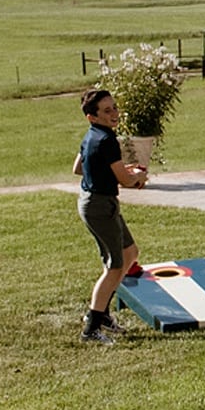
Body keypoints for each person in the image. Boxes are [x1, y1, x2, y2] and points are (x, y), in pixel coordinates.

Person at [73, 87, 150, 343]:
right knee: (115, 267)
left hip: (98, 203)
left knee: (130, 254)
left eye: (115, 107)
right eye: (107, 111)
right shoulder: (106, 140)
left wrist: (112, 171)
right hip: (99, 207)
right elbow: (127, 182)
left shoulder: (92, 136)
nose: (114, 113)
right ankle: (92, 327)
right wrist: (137, 177)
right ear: (91, 117)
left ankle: (102, 313)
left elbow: (78, 168)